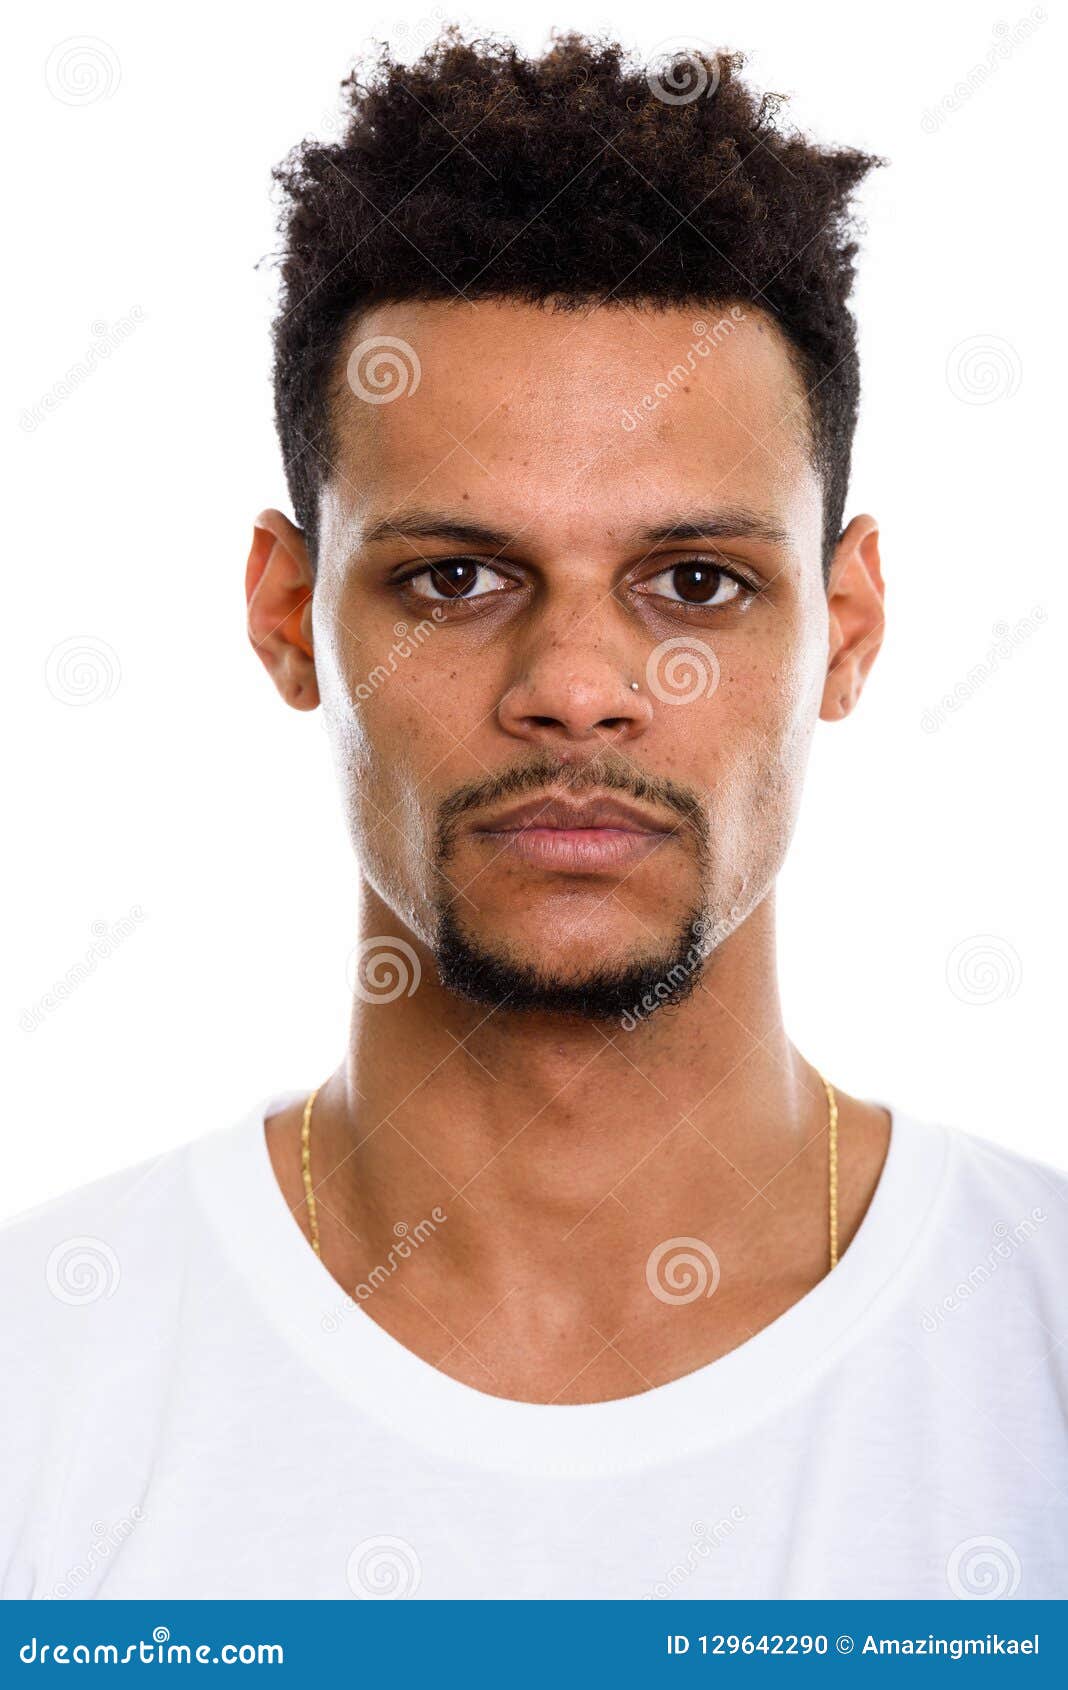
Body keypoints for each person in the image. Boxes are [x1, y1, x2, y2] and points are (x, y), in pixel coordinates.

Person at [3, 31, 1065, 1602]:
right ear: (289, 613)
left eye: (693, 582)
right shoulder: (46, 1377)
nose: (575, 688)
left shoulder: (1035, 1352)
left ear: (846, 626)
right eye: (457, 577)